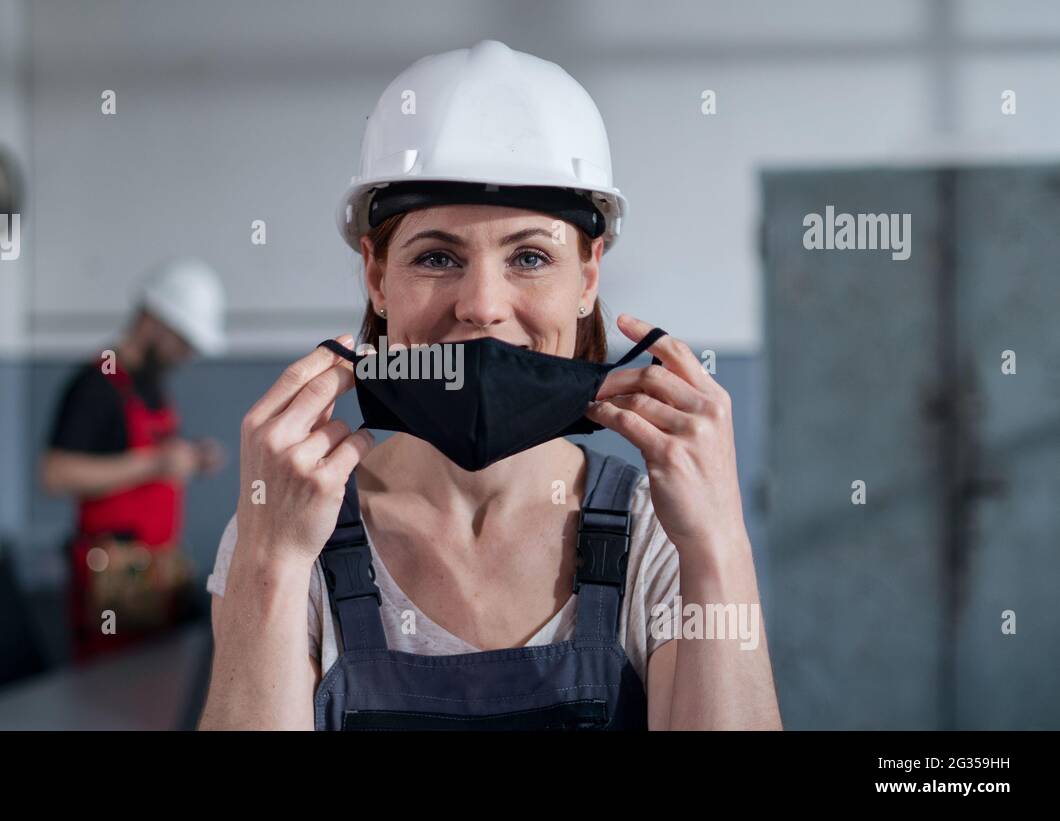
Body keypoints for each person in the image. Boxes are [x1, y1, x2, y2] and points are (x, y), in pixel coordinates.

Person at [199, 41, 781, 729]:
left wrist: (718, 543)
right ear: (378, 277)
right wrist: (271, 558)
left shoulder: (658, 533)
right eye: (437, 256)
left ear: (588, 277)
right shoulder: (294, 530)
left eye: (530, 256)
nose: (481, 304)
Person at [42, 259, 227, 661]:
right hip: (110, 576)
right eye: (181, 341)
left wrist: (192, 456)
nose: (184, 354)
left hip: (154, 573)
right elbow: (55, 474)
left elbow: (137, 453)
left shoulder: (152, 386)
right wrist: (157, 464)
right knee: (110, 691)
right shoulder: (96, 385)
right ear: (153, 320)